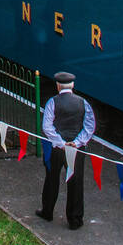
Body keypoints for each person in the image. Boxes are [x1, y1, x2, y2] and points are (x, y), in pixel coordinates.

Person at [36, 71, 96, 230]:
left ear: (57, 85)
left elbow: (47, 127)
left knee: (51, 178)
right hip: (76, 150)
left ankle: (47, 211)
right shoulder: (83, 103)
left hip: (57, 149)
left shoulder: (52, 102)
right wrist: (76, 142)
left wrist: (61, 143)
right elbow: (89, 127)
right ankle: (75, 219)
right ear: (73, 85)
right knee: (76, 182)